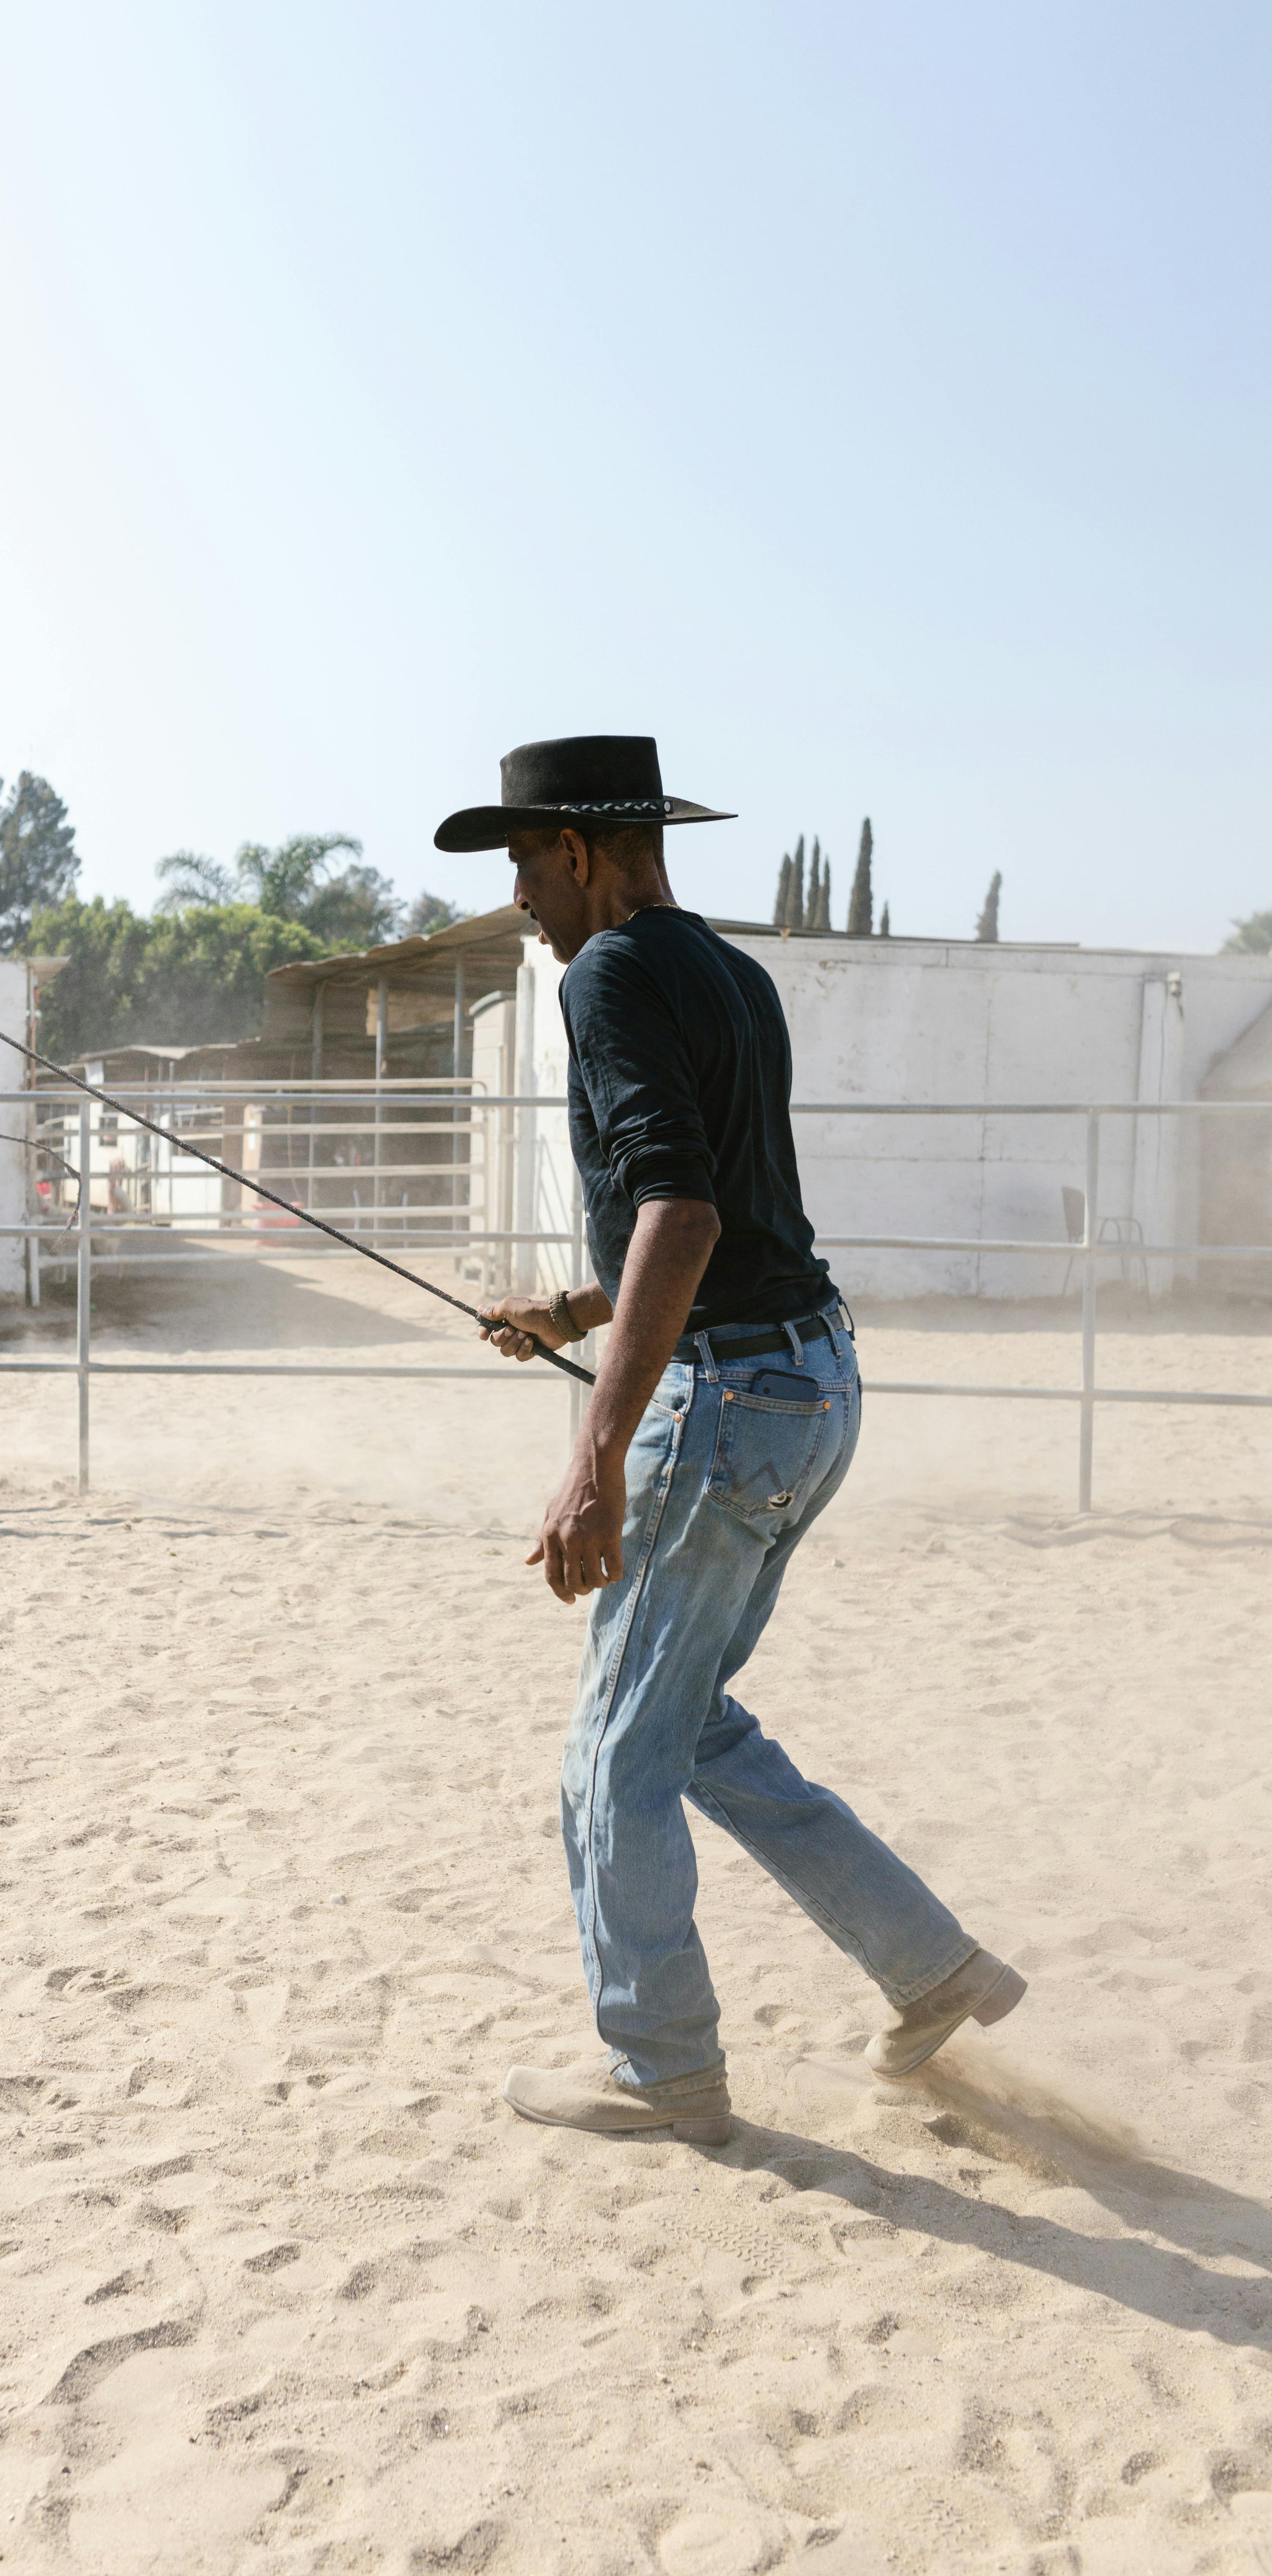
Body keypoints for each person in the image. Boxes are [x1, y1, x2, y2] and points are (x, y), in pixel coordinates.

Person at [434, 736, 1024, 2146]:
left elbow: (685, 1219)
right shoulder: (734, 975)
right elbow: (732, 1217)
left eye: (522, 859)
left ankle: (661, 2069)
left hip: (731, 1401)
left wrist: (592, 1459)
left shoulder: (610, 974)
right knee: (689, 1722)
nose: (519, 893)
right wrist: (573, 1308)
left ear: (579, 849)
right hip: (815, 1383)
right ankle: (932, 1968)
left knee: (611, 1759)